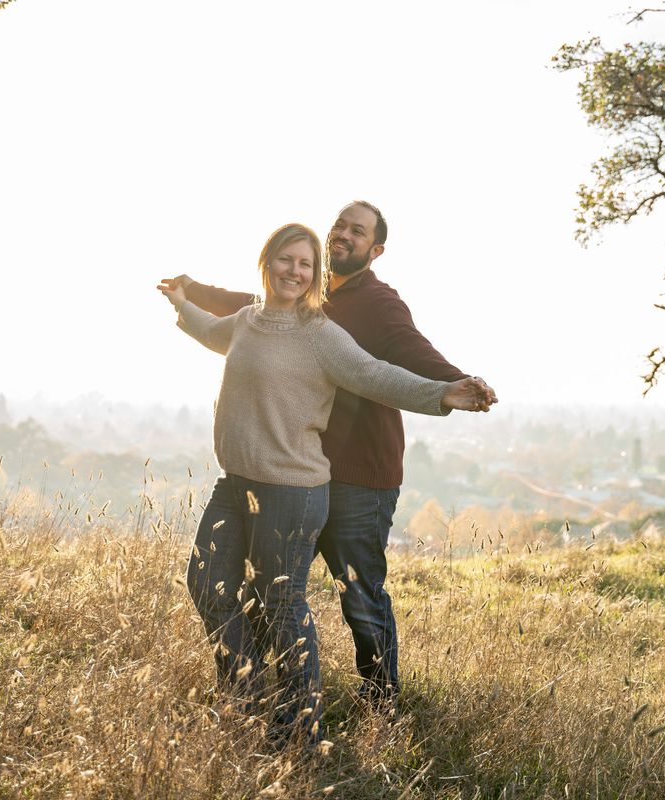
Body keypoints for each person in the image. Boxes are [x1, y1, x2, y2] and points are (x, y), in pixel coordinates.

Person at [158, 222, 489, 745]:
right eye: (286, 260)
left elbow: (378, 374)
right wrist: (180, 300)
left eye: (305, 264)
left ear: (314, 274)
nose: (295, 270)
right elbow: (207, 330)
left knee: (281, 605)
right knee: (207, 583)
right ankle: (246, 699)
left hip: (291, 492)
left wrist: (444, 393)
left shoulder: (321, 335)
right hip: (235, 483)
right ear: (266, 262)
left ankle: (297, 730)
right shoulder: (247, 321)